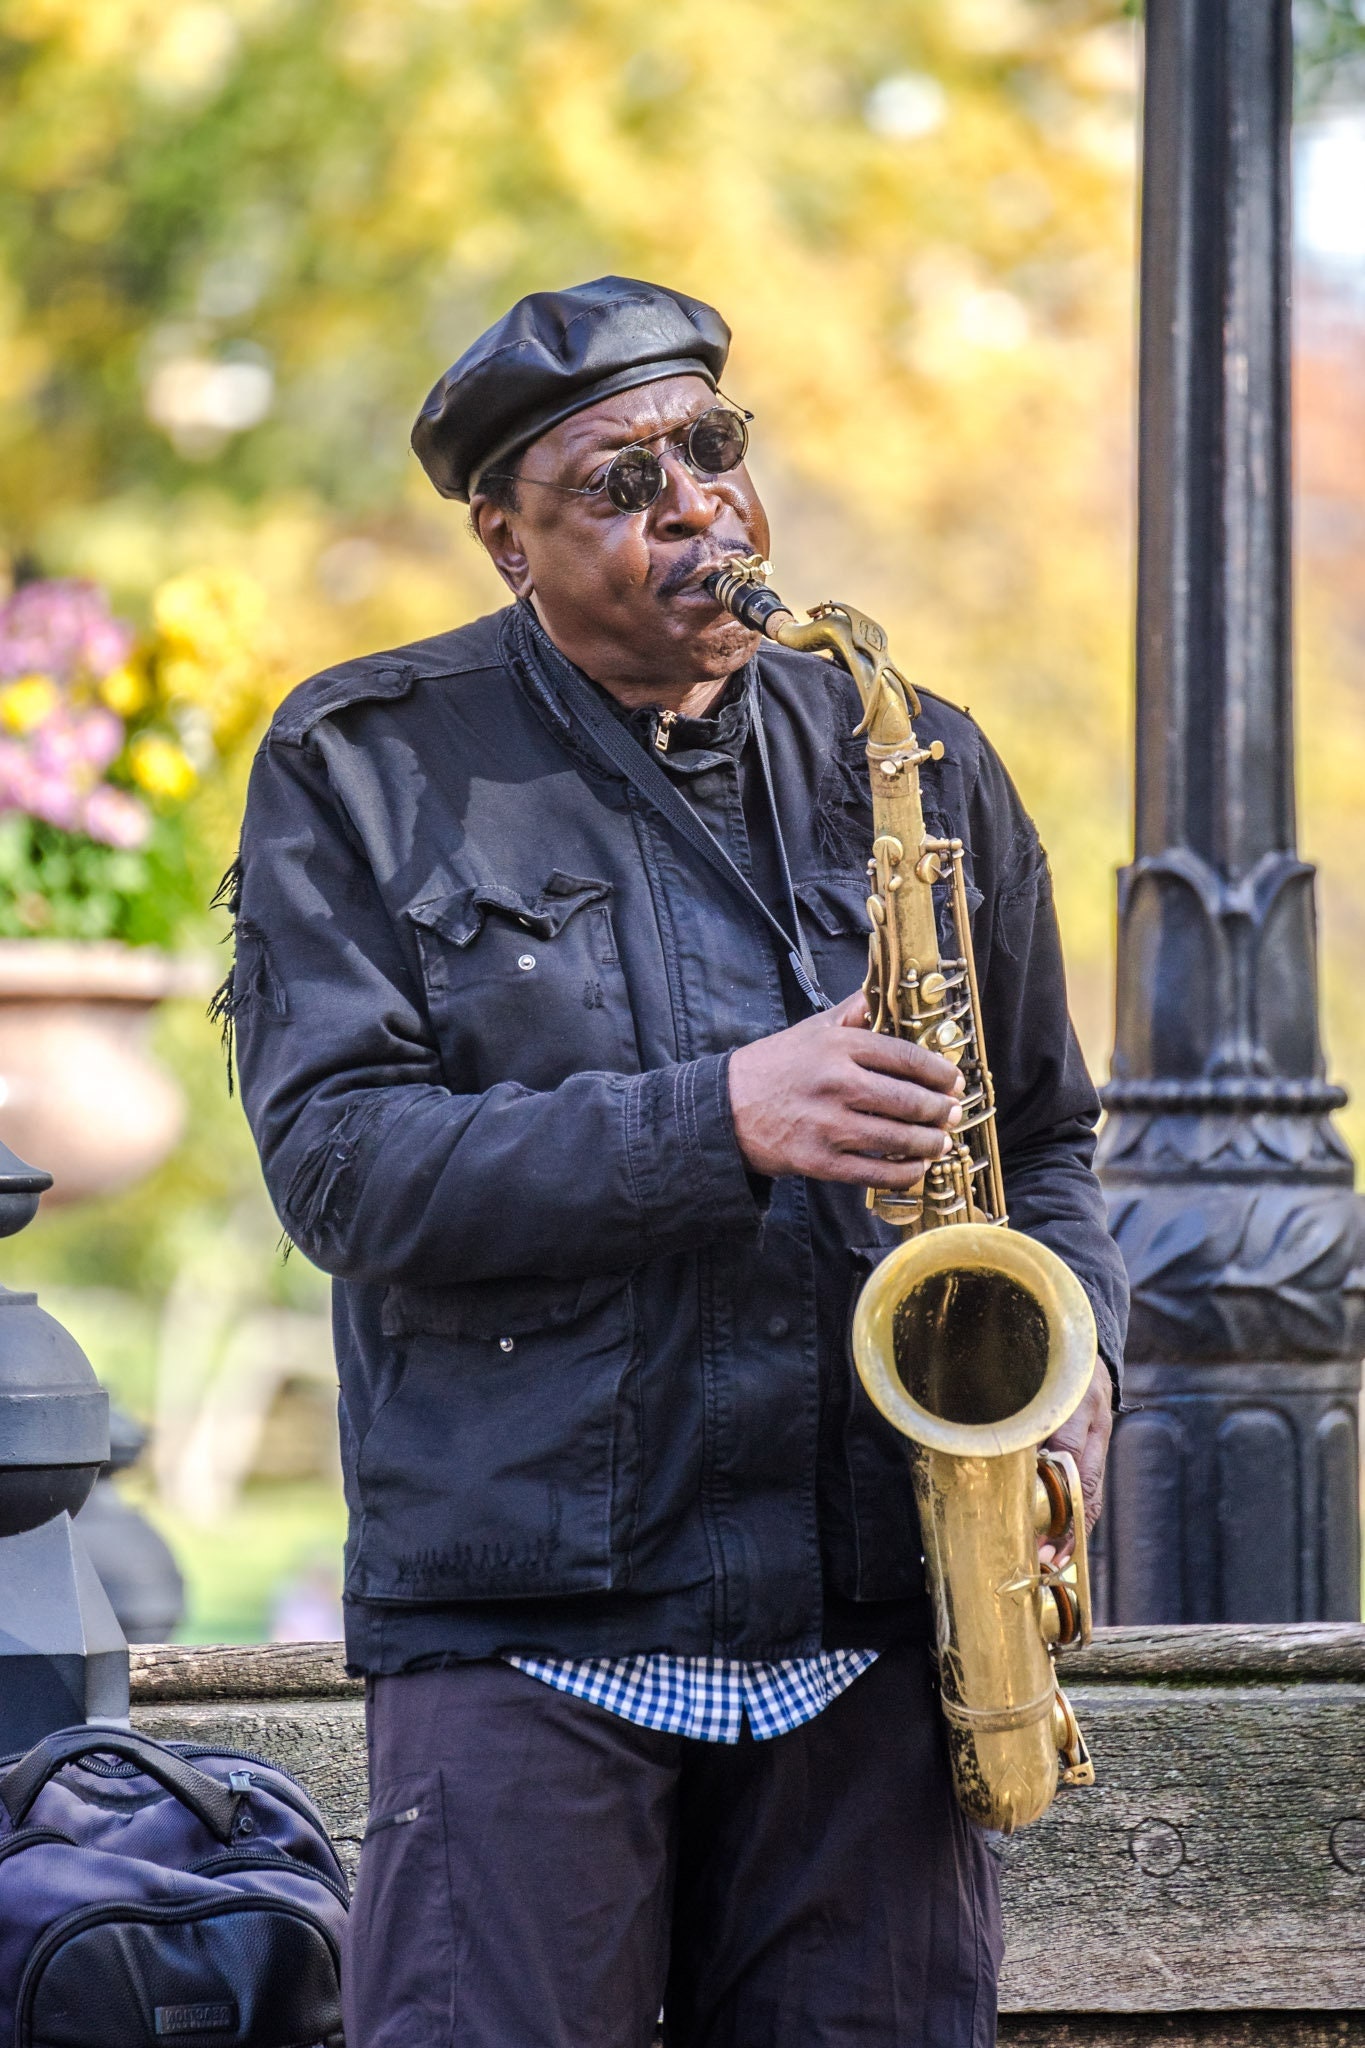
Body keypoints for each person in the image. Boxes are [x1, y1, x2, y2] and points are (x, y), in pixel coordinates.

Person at [224, 275, 1128, 2048]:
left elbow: (1048, 1140)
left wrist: (1075, 1364)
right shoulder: (362, 763)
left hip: (880, 1616)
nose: (694, 503)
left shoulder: (920, 756)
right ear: (505, 539)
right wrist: (719, 1117)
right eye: (620, 481)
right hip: (523, 1623)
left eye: (710, 448)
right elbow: (336, 1170)